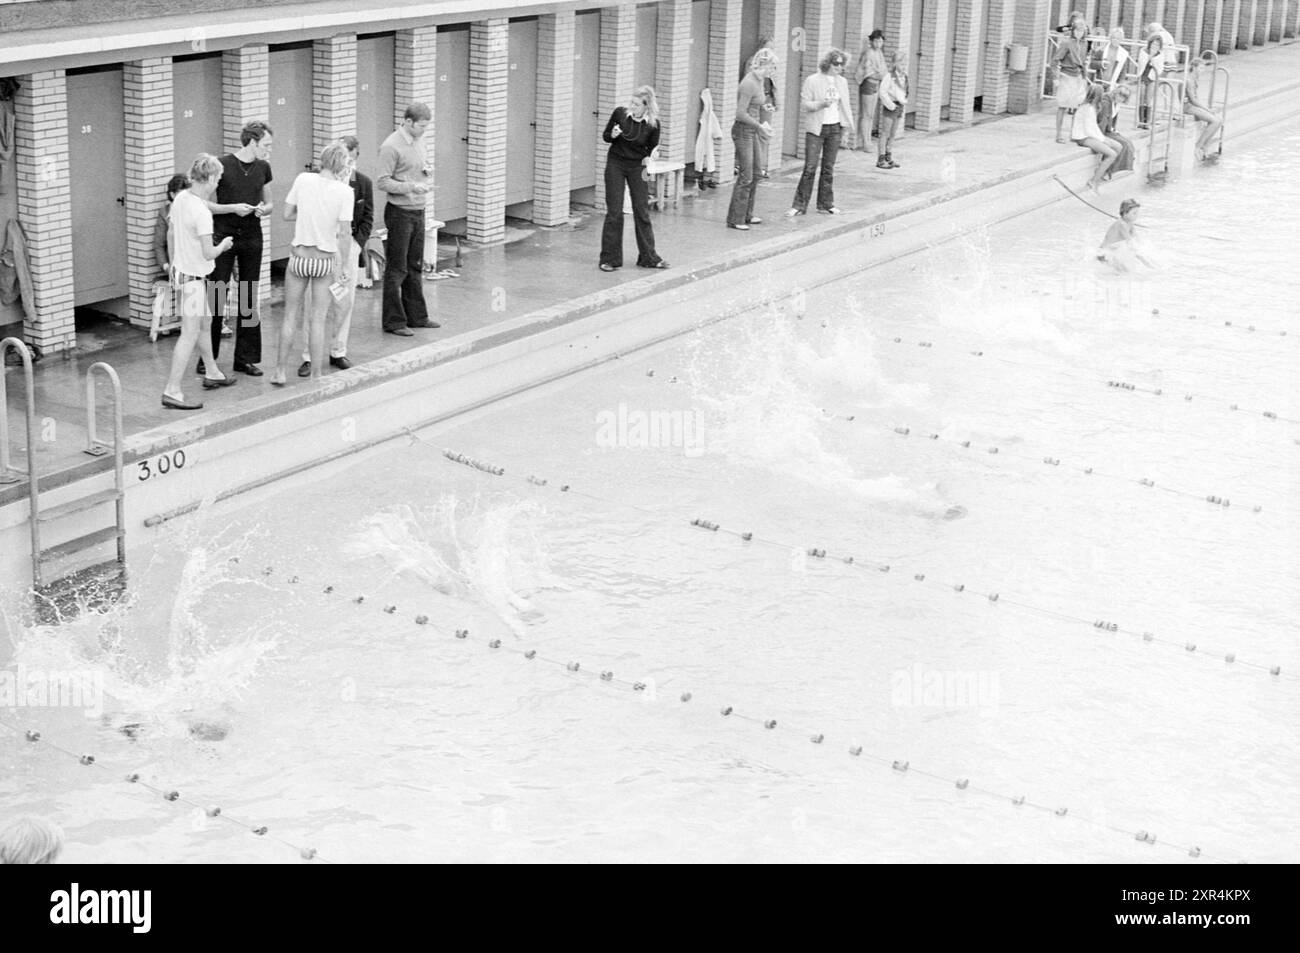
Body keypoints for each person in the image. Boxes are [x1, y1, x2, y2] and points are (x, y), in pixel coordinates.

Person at [274, 143, 354, 386]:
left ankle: (279, 372)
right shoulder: (344, 192)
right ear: (342, 165)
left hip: (299, 258)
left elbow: (287, 214)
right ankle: (317, 375)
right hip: (323, 260)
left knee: (289, 315)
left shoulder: (303, 179)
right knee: (317, 319)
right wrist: (343, 268)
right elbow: (345, 232)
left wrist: (308, 214)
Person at [162, 154, 236, 410]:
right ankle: (172, 390)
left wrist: (172, 264)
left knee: (205, 324)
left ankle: (212, 371)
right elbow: (209, 253)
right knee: (189, 334)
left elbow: (172, 232)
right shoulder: (201, 213)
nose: (218, 184)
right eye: (218, 179)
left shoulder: (182, 198)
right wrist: (224, 245)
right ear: (211, 178)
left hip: (183, 272)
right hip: (194, 277)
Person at [203, 120, 273, 377]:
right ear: (252, 142)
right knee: (217, 293)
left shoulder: (264, 167)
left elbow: (270, 203)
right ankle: (207, 355)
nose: (269, 150)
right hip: (224, 236)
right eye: (266, 145)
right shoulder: (222, 165)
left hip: (252, 236)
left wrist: (263, 209)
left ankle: (245, 357)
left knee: (248, 295)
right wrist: (233, 208)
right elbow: (206, 204)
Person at [299, 136, 373, 376]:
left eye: (350, 161)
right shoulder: (318, 183)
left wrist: (356, 244)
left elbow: (368, 216)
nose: (345, 166)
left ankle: (338, 350)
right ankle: (309, 355)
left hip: (347, 246)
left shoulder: (362, 183)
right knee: (314, 303)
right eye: (343, 160)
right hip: (322, 246)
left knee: (345, 301)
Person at [377, 103, 437, 335]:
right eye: (421, 126)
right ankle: (393, 321)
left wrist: (426, 175)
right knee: (397, 267)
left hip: (418, 209)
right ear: (408, 122)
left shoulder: (420, 141)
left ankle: (417, 316)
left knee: (414, 265)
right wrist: (411, 186)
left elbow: (420, 166)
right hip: (400, 212)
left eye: (426, 126)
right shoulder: (391, 146)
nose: (424, 130)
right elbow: (382, 181)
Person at [599, 86, 667, 272]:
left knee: (641, 209)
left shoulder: (653, 125)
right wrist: (612, 135)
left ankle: (648, 257)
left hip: (639, 166)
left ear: (647, 107)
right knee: (615, 211)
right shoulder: (620, 114)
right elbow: (606, 136)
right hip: (616, 163)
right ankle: (610, 259)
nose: (632, 106)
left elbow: (651, 149)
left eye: (637, 105)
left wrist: (653, 158)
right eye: (632, 102)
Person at [786, 48, 854, 217]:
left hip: (835, 127)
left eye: (842, 64)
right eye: (836, 63)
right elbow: (805, 104)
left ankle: (826, 203)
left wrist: (846, 128)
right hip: (817, 128)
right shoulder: (813, 80)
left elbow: (845, 107)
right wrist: (821, 104)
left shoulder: (842, 82)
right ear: (828, 63)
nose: (839, 67)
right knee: (810, 167)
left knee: (828, 167)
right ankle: (799, 205)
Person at [727, 48, 779, 231]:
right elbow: (740, 113)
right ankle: (736, 218)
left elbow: (757, 103)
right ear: (764, 64)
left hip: (752, 129)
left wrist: (767, 108)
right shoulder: (749, 82)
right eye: (772, 66)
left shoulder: (761, 80)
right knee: (746, 175)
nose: (774, 70)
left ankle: (747, 213)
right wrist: (760, 126)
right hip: (743, 131)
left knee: (757, 172)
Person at [1071, 83, 1119, 191]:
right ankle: (1094, 180)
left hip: (1090, 135)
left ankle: (1104, 170)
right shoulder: (1087, 109)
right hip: (1083, 137)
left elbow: (1094, 127)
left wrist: (1103, 138)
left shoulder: (1091, 108)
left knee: (1118, 146)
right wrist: (1102, 140)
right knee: (1112, 154)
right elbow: (1089, 129)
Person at [1051, 18, 1090, 143]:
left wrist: (1085, 77)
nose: (1079, 33)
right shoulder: (1066, 43)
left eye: (1082, 31)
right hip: (1066, 76)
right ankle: (1059, 134)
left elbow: (1083, 62)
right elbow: (1054, 61)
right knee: (1062, 106)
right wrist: (1056, 77)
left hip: (1078, 77)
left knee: (1078, 107)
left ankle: (1074, 133)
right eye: (1077, 30)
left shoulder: (1085, 44)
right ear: (1073, 31)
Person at [852, 29, 887, 152]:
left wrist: (882, 75)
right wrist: (879, 75)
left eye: (880, 41)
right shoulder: (868, 53)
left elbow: (884, 70)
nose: (878, 43)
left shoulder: (880, 53)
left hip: (877, 85)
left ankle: (868, 140)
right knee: (866, 114)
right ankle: (865, 142)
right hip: (869, 84)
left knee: (871, 114)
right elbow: (867, 71)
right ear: (871, 41)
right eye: (876, 40)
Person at [1097, 198, 1154, 272]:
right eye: (1134, 213)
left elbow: (1137, 239)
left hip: (1112, 251)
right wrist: (1143, 260)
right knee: (1124, 272)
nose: (1136, 215)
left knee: (1125, 269)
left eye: (1137, 213)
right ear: (1124, 213)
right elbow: (1130, 243)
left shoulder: (1130, 222)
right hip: (1103, 254)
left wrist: (1146, 253)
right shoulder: (1122, 224)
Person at [1183, 58, 1225, 160]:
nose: (1203, 71)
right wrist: (1207, 109)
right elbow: (1193, 100)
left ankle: (1204, 146)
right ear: (1194, 67)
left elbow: (1195, 99)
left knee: (1219, 120)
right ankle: (1198, 146)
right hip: (1187, 107)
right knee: (1215, 121)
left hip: (1192, 106)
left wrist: (1206, 110)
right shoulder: (1188, 80)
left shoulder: (1194, 79)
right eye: (1201, 68)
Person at [875, 50, 908, 170]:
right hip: (891, 106)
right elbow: (882, 92)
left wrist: (903, 101)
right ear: (894, 63)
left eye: (904, 64)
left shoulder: (904, 77)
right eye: (900, 63)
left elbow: (904, 91)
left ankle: (889, 157)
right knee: (885, 133)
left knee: (893, 133)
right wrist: (890, 105)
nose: (903, 66)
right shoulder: (889, 76)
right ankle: (881, 159)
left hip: (899, 106)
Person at [153, 174, 189, 280]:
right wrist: (167, 267)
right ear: (172, 195)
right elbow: (159, 244)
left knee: (217, 293)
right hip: (179, 266)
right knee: (186, 295)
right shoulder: (165, 213)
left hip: (200, 263)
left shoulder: (197, 209)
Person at [1096, 84, 1135, 179]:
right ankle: (1106, 170)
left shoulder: (1116, 103)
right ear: (1116, 93)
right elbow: (1102, 120)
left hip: (1108, 129)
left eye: (1124, 97)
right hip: (1099, 130)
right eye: (1120, 95)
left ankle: (1112, 169)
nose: (1121, 98)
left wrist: (1113, 130)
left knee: (1129, 143)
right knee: (1122, 144)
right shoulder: (1106, 102)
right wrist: (1101, 137)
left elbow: (1113, 119)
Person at [1135, 35, 1165, 128]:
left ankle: (1147, 122)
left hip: (1152, 78)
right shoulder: (1143, 51)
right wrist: (1150, 57)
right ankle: (1141, 121)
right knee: (1141, 98)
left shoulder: (1160, 55)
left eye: (1157, 45)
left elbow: (1159, 69)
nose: (1155, 46)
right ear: (1150, 43)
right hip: (1143, 77)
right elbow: (1141, 63)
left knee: (1148, 100)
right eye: (1153, 44)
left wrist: (1153, 59)